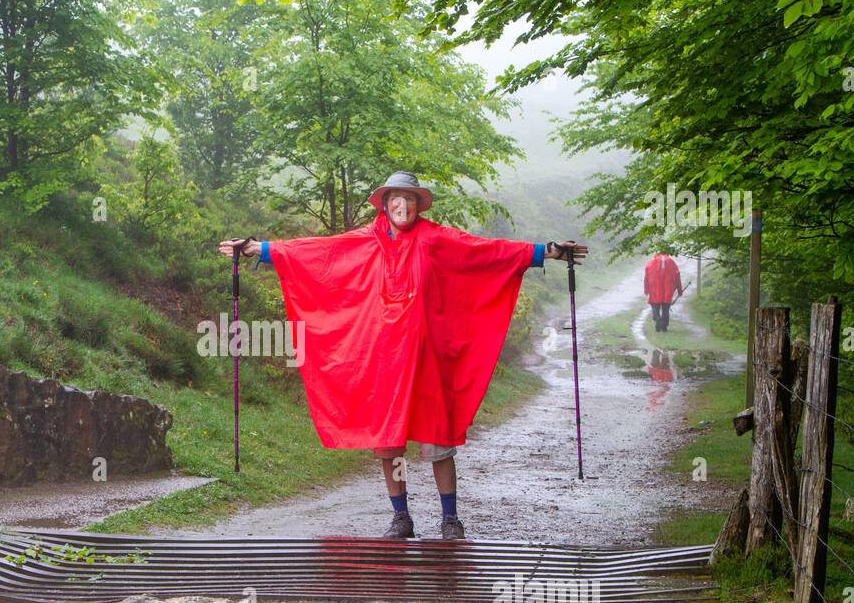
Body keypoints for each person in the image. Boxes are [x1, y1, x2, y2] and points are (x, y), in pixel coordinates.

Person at [220, 171, 586, 540]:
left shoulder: (436, 239)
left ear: (417, 205)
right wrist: (260, 249)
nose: (402, 205)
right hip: (384, 362)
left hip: (429, 361)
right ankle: (401, 516)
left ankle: (449, 518)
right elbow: (320, 252)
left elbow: (486, 251)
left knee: (438, 442)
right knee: (389, 442)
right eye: (396, 198)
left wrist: (548, 251)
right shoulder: (366, 242)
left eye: (409, 199)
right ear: (384, 203)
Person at [644, 251, 683, 332]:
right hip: (668, 289)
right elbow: (677, 276)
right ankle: (664, 327)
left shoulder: (651, 263)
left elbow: (646, 278)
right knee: (666, 309)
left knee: (655, 305)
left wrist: (646, 290)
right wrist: (679, 290)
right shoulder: (671, 262)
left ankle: (657, 318)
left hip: (654, 289)